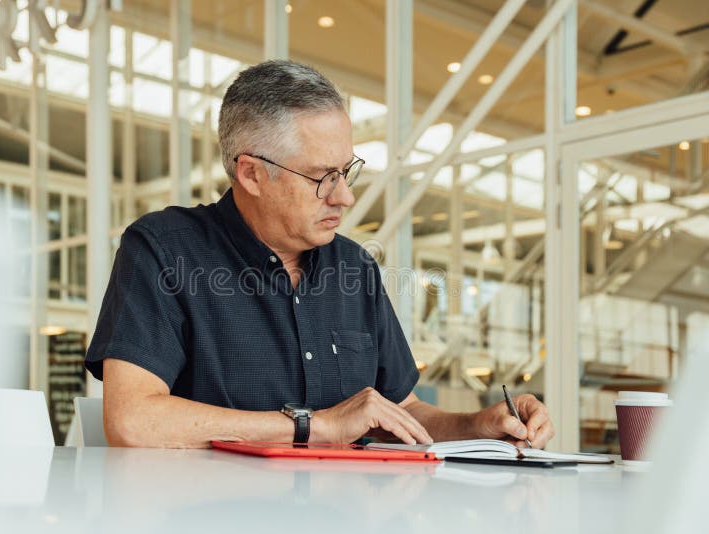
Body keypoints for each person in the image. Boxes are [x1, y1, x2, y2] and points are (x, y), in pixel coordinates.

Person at [85, 60, 554, 449]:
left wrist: (477, 424)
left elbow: (401, 411)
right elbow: (133, 421)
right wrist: (314, 426)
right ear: (251, 174)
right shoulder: (165, 250)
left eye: (346, 171)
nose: (344, 196)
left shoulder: (355, 267)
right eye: (322, 177)